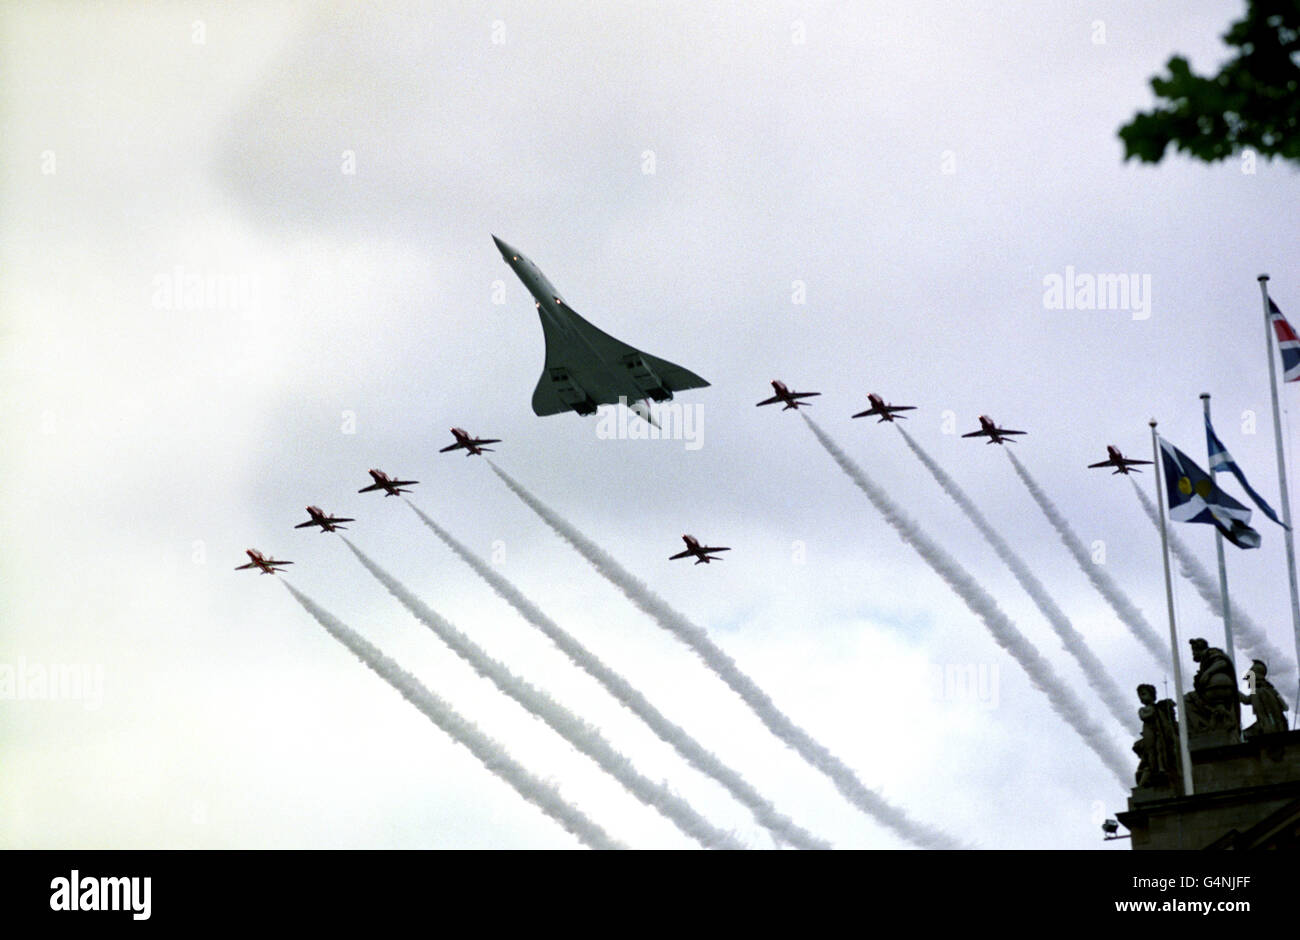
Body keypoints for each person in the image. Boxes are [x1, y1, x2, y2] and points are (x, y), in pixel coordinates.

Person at [1239, 660, 1289, 740]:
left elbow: (1247, 700)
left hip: (1270, 729)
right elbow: (1285, 707)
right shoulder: (1270, 690)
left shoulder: (1260, 691)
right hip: (1275, 726)